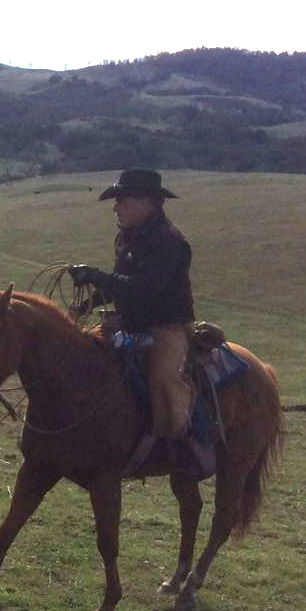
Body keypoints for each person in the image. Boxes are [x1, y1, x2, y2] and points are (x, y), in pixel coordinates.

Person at [68, 168, 209, 476]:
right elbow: (121, 284)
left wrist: (95, 275)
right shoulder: (125, 237)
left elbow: (143, 289)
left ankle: (182, 445)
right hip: (127, 321)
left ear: (148, 202)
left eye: (123, 200)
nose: (116, 207)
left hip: (165, 325)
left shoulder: (170, 242)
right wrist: (89, 303)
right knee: (80, 356)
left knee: (164, 380)